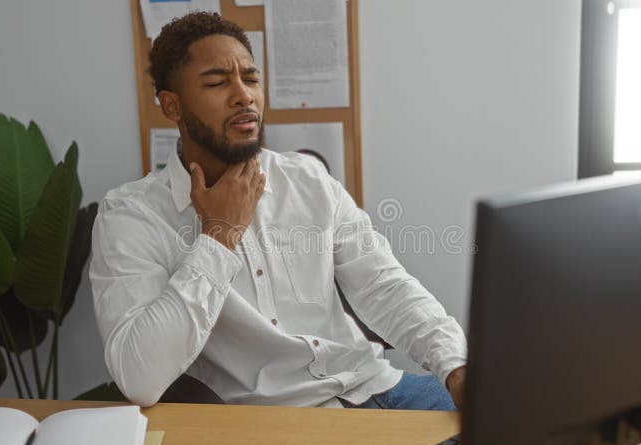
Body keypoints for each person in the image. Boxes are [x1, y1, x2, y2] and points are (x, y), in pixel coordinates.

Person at [89, 12, 467, 410]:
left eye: (251, 79)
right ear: (172, 106)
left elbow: (384, 286)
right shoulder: (131, 215)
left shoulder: (307, 178)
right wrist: (218, 236)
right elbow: (140, 378)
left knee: (504, 421)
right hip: (283, 419)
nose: (244, 96)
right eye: (217, 83)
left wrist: (455, 366)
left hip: (375, 386)